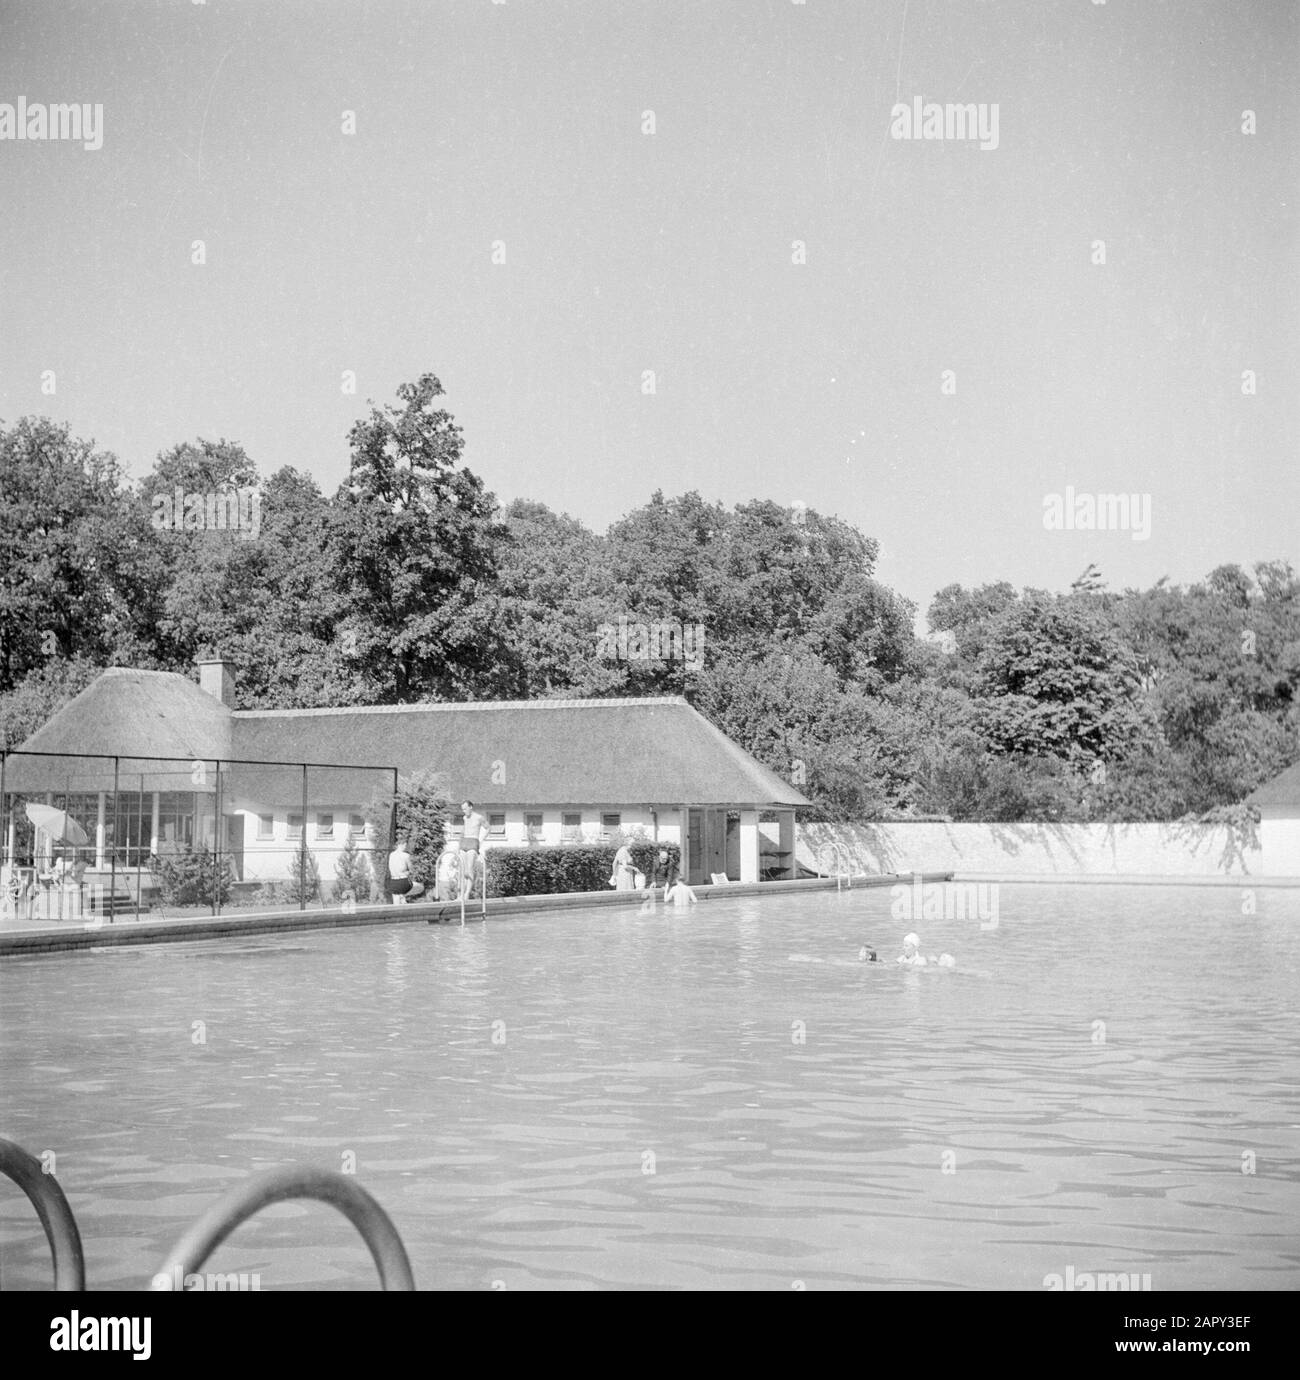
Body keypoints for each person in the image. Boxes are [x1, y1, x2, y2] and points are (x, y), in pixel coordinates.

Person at [387, 836, 424, 904]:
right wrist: (408, 872)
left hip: (393, 883)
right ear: (401, 844)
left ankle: (401, 899)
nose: (405, 847)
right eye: (405, 845)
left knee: (396, 900)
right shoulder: (406, 855)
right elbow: (411, 869)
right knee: (421, 887)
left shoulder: (391, 855)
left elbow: (391, 868)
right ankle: (403, 895)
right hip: (403, 882)